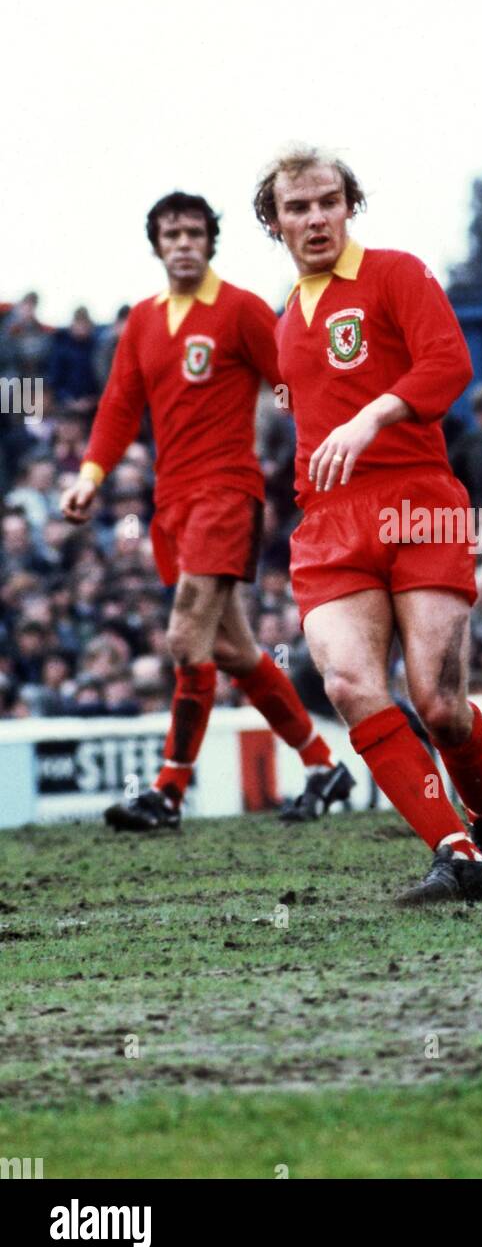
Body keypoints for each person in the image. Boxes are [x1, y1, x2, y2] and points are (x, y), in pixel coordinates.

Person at [253, 144, 482, 904]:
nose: (315, 218)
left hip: (417, 502)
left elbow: (449, 364)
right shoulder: (284, 322)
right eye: (297, 207)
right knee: (348, 683)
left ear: (349, 205)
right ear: (274, 222)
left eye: (328, 202)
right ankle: (457, 850)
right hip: (330, 524)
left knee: (438, 703)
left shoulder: (396, 274)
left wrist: (375, 414)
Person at [61, 190, 353, 831]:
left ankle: (167, 792)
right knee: (235, 652)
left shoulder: (242, 310)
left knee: (183, 636)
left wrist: (315, 462)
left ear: (210, 241)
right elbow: (117, 406)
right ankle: (322, 763)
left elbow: (291, 383)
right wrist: (90, 476)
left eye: (195, 232)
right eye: (172, 234)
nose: (184, 243)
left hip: (227, 493)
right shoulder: (141, 322)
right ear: (158, 245)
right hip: (172, 503)